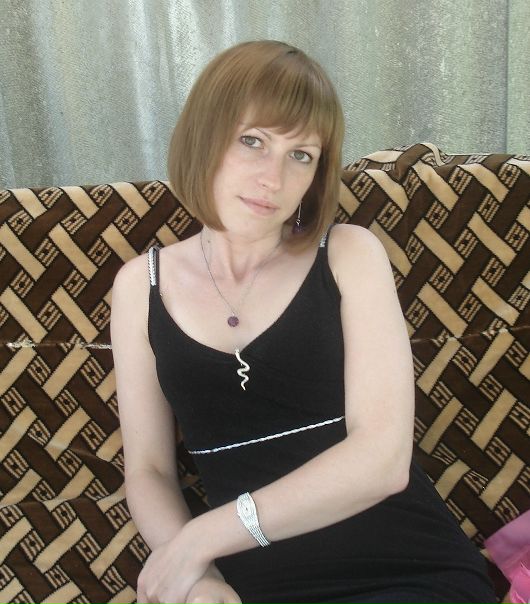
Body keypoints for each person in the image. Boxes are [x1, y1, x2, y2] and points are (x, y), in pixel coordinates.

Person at [110, 40, 496, 604]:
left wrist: (199, 541)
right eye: (253, 141)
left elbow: (383, 460)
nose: (273, 177)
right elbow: (148, 470)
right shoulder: (137, 288)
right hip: (254, 584)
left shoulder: (348, 255)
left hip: (404, 565)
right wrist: (199, 579)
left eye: (301, 155)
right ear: (203, 137)